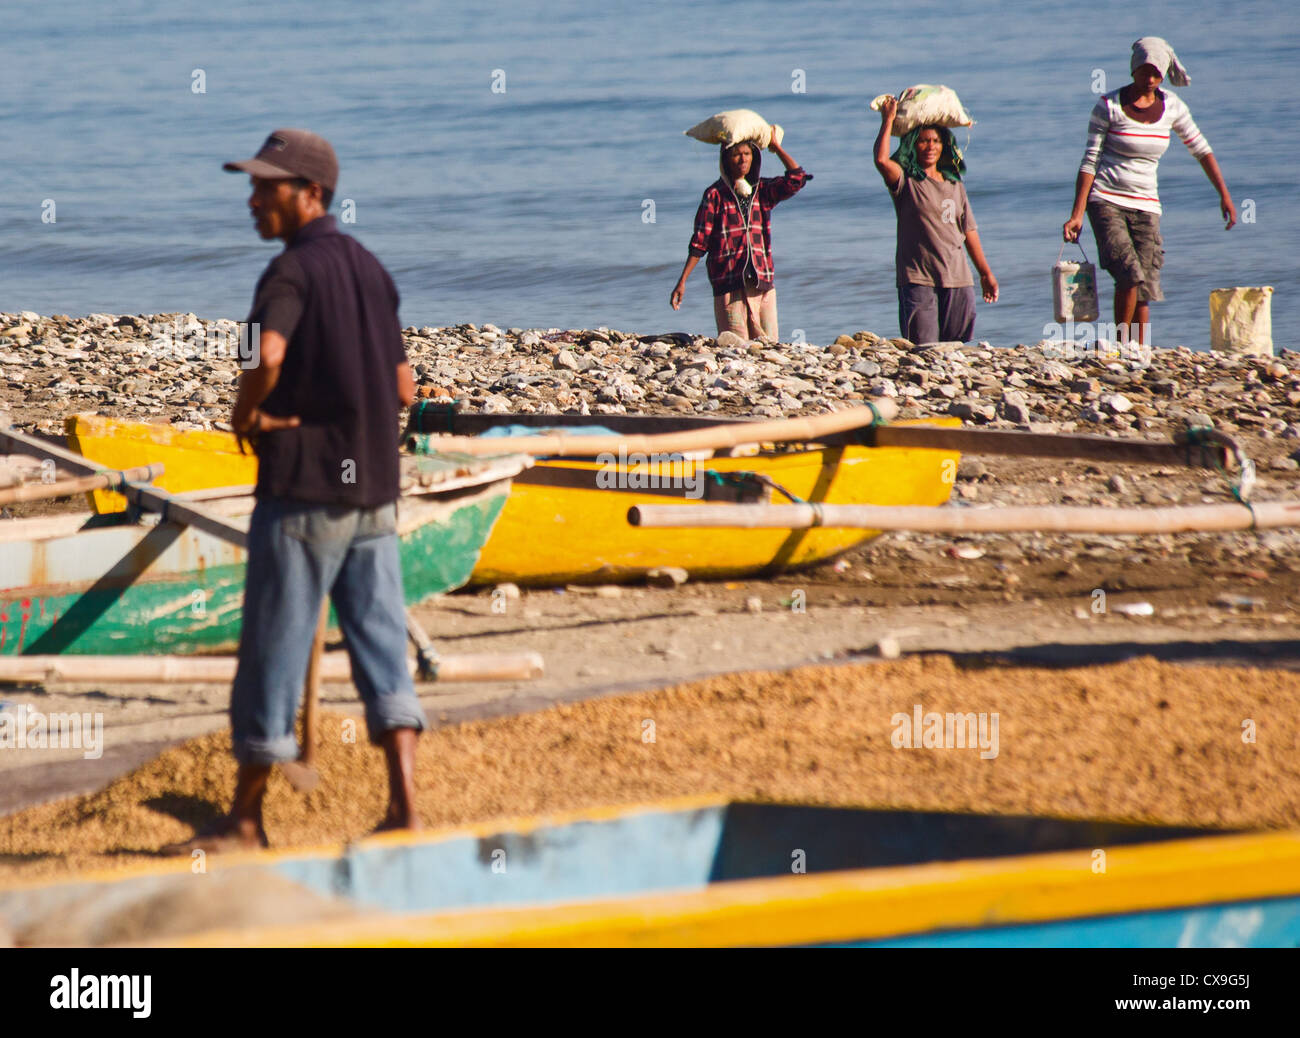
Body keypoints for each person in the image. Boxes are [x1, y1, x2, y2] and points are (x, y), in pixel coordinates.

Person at [168, 128, 423, 854]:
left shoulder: (288, 274)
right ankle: (405, 809)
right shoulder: (371, 270)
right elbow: (403, 385)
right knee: (382, 648)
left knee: (272, 651)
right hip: (374, 491)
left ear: (310, 193)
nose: (252, 200)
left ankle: (246, 821)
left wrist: (247, 411)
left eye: (265, 187)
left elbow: (263, 352)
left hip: (304, 490)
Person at [1063, 37, 1236, 346]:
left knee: (1145, 284)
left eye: (1157, 73)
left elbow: (1201, 150)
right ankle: (1120, 346)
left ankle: (1139, 352)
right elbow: (1089, 162)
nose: (1151, 79)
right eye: (1145, 71)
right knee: (1128, 274)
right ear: (1133, 70)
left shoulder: (1172, 107)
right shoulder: (1108, 106)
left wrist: (1224, 195)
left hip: (1147, 205)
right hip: (1106, 199)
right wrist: (1076, 215)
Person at [874, 96, 998, 345]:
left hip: (958, 277)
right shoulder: (905, 182)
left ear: (944, 146)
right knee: (924, 348)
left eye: (936, 141)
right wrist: (887, 120)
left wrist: (985, 273)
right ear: (913, 145)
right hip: (918, 278)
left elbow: (969, 231)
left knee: (955, 347)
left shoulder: (955, 184)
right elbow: (881, 160)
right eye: (923, 141)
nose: (930, 146)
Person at [670, 135, 811, 342]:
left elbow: (797, 179)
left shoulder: (762, 191)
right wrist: (682, 281)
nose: (742, 160)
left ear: (754, 157)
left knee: (769, 346)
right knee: (735, 348)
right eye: (736, 155)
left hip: (762, 282)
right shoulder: (714, 195)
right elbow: (700, 242)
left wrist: (776, 147)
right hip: (728, 283)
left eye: (747, 154)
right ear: (725, 159)